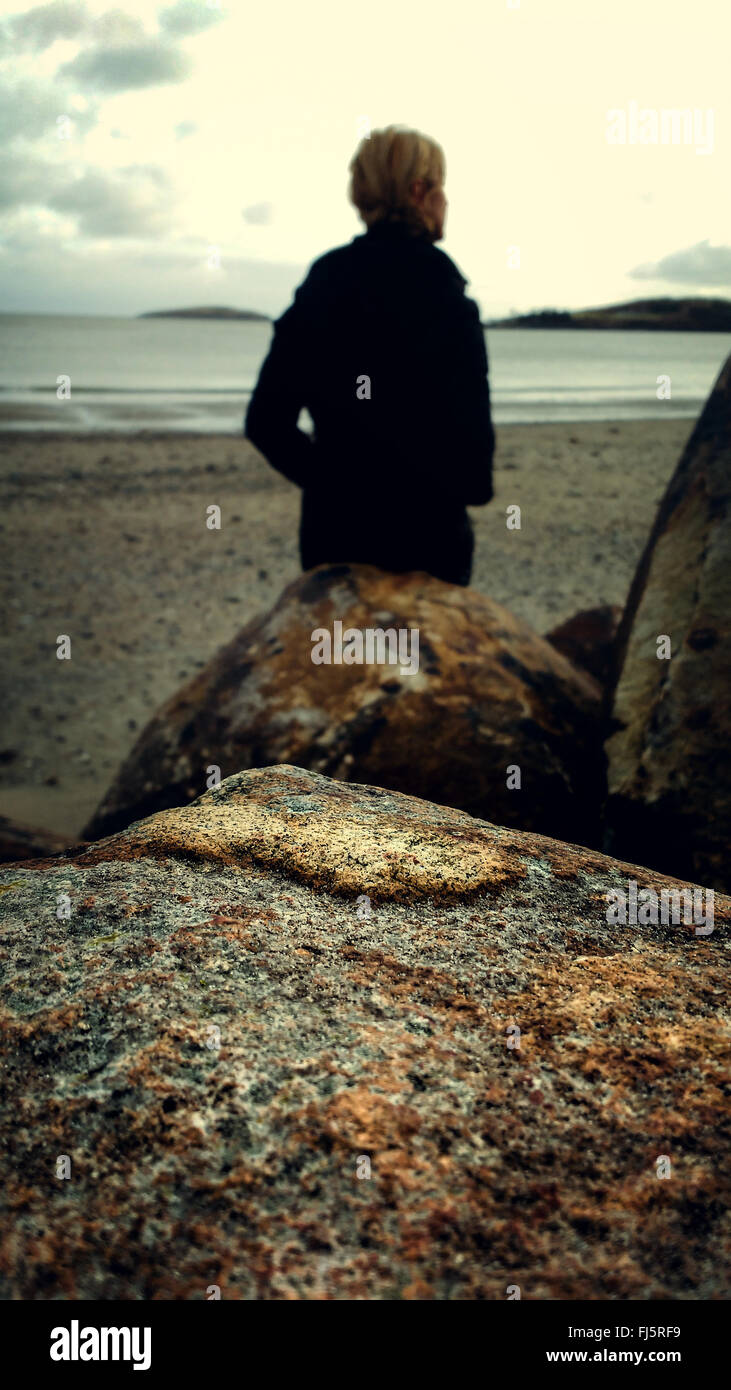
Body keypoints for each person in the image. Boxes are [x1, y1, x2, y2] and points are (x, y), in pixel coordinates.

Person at [244, 124, 495, 586]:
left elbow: (265, 421)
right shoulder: (443, 290)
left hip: (335, 541)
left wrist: (334, 485)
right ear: (420, 191)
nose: (445, 201)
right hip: (429, 546)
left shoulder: (325, 280)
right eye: (440, 187)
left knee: (342, 659)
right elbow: (474, 465)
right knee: (414, 661)